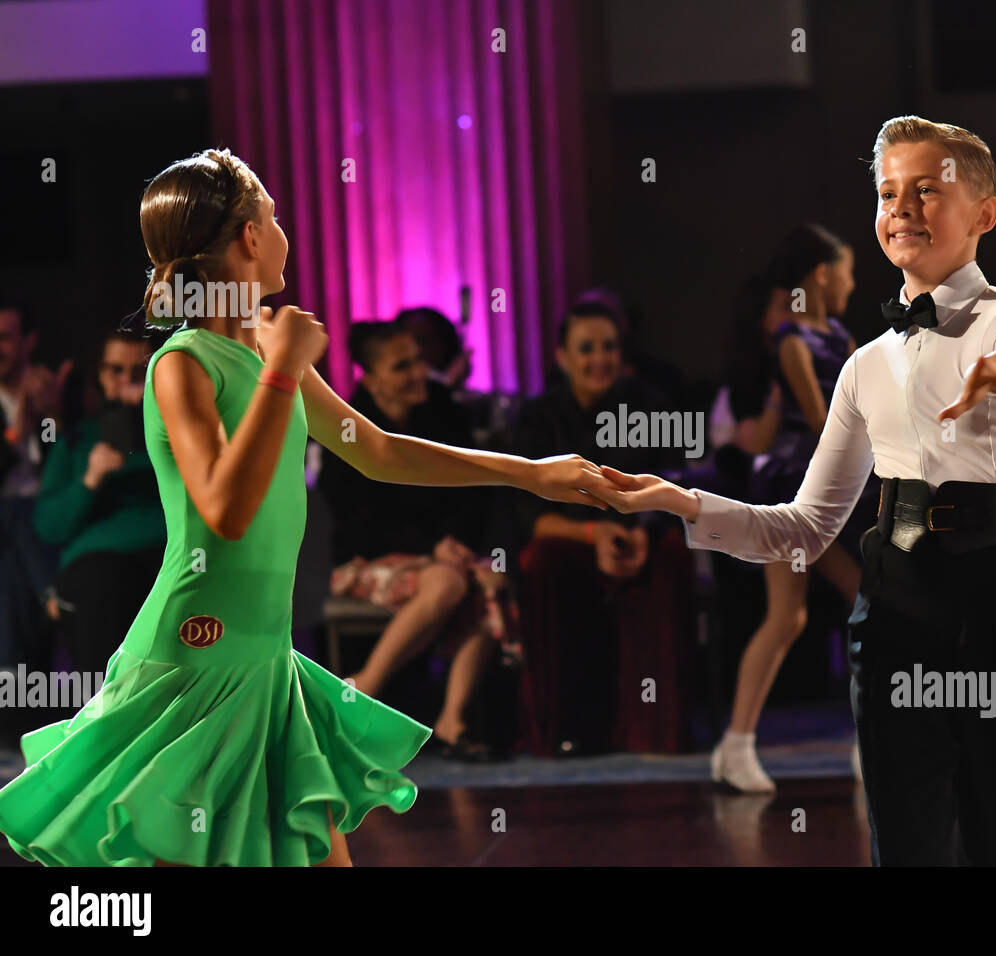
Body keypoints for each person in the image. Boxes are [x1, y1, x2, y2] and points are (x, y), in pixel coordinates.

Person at [0, 148, 617, 867]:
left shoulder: (266, 356)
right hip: (194, 666)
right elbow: (226, 508)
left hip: (264, 664)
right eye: (272, 214)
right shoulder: (181, 364)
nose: (283, 230)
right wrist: (286, 370)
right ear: (250, 239)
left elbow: (378, 450)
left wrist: (529, 474)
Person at [594, 116, 996, 866]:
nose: (903, 208)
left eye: (927, 190)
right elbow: (803, 527)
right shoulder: (863, 365)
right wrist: (680, 502)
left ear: (984, 214)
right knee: (905, 822)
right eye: (890, 194)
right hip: (896, 593)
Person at [711, 224, 878, 793]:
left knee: (795, 616)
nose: (853, 284)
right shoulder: (791, 341)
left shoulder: (837, 334)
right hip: (796, 491)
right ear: (823, 274)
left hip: (835, 488)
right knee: (851, 605)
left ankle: (736, 745)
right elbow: (821, 419)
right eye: (849, 272)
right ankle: (742, 746)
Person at [511, 299, 695, 757]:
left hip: (636, 537)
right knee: (542, 561)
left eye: (609, 347)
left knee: (671, 554)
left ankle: (654, 730)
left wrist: (642, 535)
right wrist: (592, 537)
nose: (599, 359)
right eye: (586, 348)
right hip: (571, 540)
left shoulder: (650, 406)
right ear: (563, 357)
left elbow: (676, 485)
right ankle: (567, 731)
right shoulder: (539, 417)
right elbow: (524, 512)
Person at [316, 320, 495, 761]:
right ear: (372, 379)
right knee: (451, 584)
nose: (419, 373)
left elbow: (473, 488)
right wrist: (435, 546)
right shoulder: (347, 425)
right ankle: (364, 689)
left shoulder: (443, 410)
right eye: (402, 367)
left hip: (439, 557)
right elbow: (357, 523)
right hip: (360, 559)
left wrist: (456, 544)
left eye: (418, 360)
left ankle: (452, 722)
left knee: (486, 588)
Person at [34, 330, 166, 682]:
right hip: (98, 567)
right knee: (103, 583)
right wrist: (89, 480)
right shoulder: (76, 441)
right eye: (115, 371)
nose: (126, 382)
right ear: (100, 375)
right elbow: (49, 526)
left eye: (137, 372)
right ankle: (106, 720)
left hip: (168, 556)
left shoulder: (175, 433)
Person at [0, 302, 71, 672]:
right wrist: (15, 431)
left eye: (5, 338)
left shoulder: (50, 390)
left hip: (44, 514)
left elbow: (65, 459)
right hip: (12, 516)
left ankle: (11, 674)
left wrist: (53, 417)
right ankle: (52, 597)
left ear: (28, 341)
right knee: (17, 519)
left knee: (16, 549)